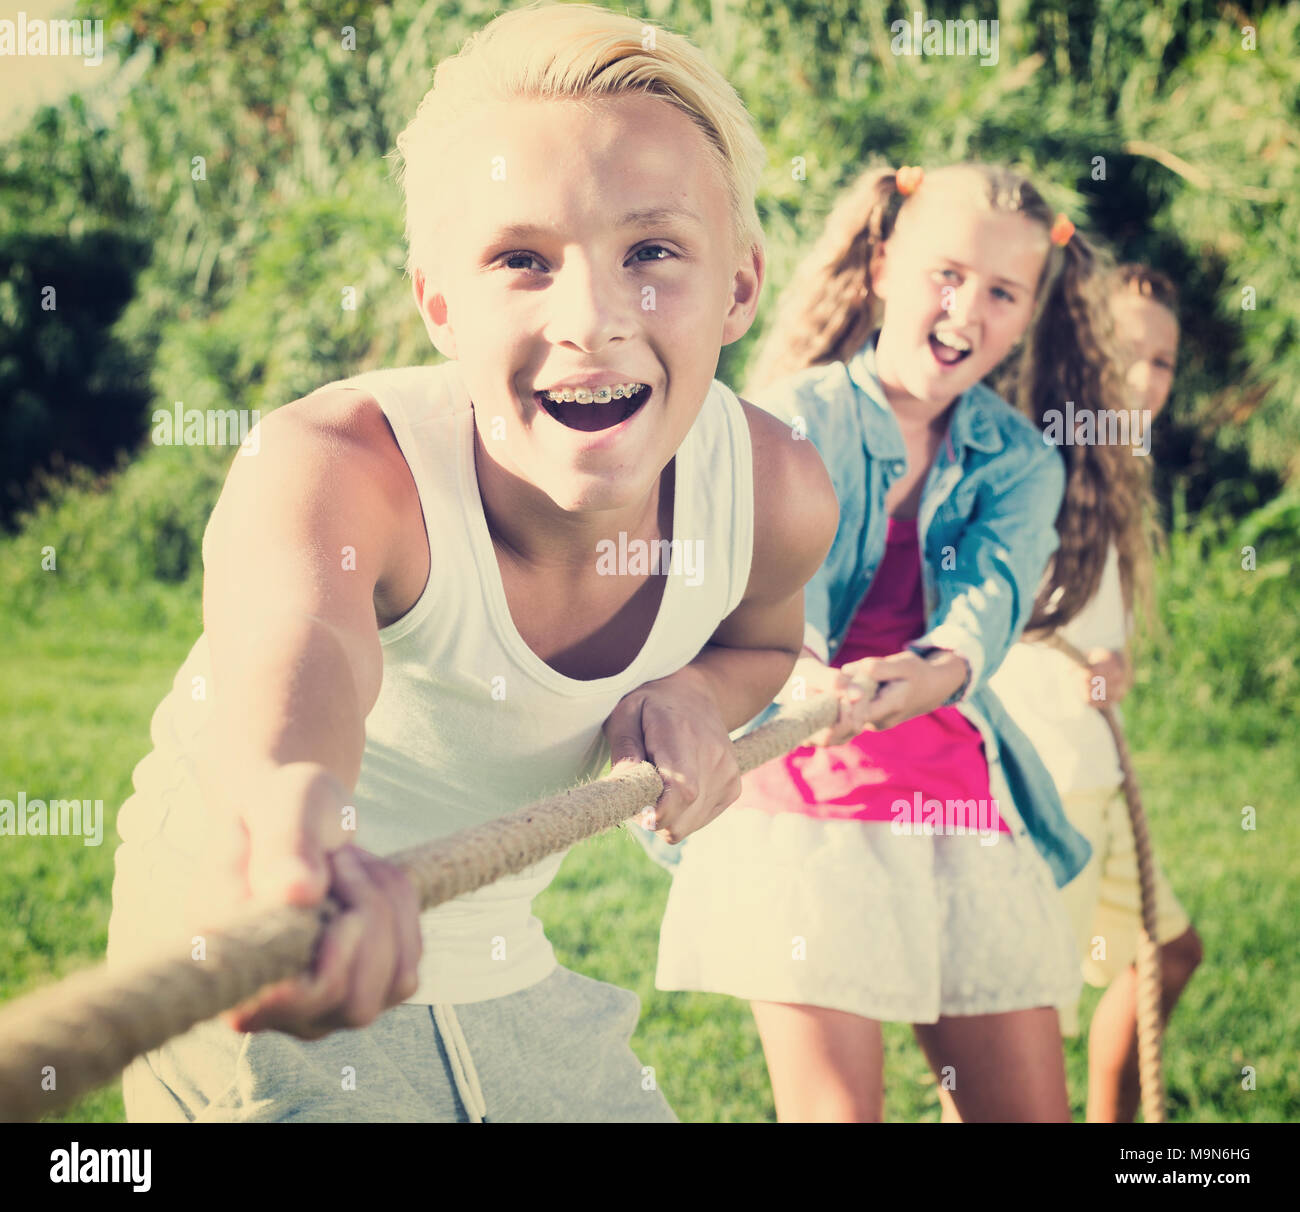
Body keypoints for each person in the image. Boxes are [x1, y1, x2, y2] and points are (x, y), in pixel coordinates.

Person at [106, 2, 837, 1123]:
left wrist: (691, 690)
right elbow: (302, 666)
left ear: (740, 283)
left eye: (651, 251)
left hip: (491, 934)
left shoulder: (777, 493)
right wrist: (286, 836)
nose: (591, 318)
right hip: (245, 933)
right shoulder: (334, 468)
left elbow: (760, 642)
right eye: (520, 260)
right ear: (438, 305)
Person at [648, 162, 1129, 1123]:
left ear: (1029, 313)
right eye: (946, 274)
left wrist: (937, 668)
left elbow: (986, 603)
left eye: (1003, 292)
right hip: (804, 804)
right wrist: (815, 679)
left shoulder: (1021, 458)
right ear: (882, 267)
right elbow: (785, 595)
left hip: (952, 799)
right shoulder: (794, 416)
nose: (968, 308)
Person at [983, 262, 1201, 1123]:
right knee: (1012, 1031)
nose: (1147, 378)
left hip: (1095, 775)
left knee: (1169, 956)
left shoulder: (1117, 467)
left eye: (1165, 362)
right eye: (1128, 352)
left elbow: (1098, 623)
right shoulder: (1044, 461)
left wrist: (1117, 664)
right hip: (1050, 780)